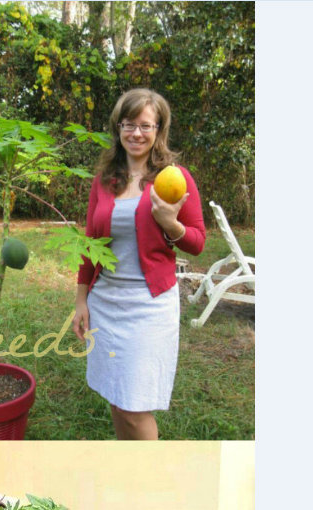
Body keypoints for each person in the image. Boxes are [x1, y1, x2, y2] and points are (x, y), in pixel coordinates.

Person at [71, 88, 206, 440]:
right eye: (129, 124)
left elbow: (197, 242)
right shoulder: (105, 181)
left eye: (145, 125)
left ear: (158, 129)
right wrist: (81, 301)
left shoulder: (173, 179)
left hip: (149, 305)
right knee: (118, 399)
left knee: (134, 405)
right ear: (119, 128)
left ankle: (152, 480)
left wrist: (171, 224)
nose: (136, 133)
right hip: (106, 303)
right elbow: (90, 244)